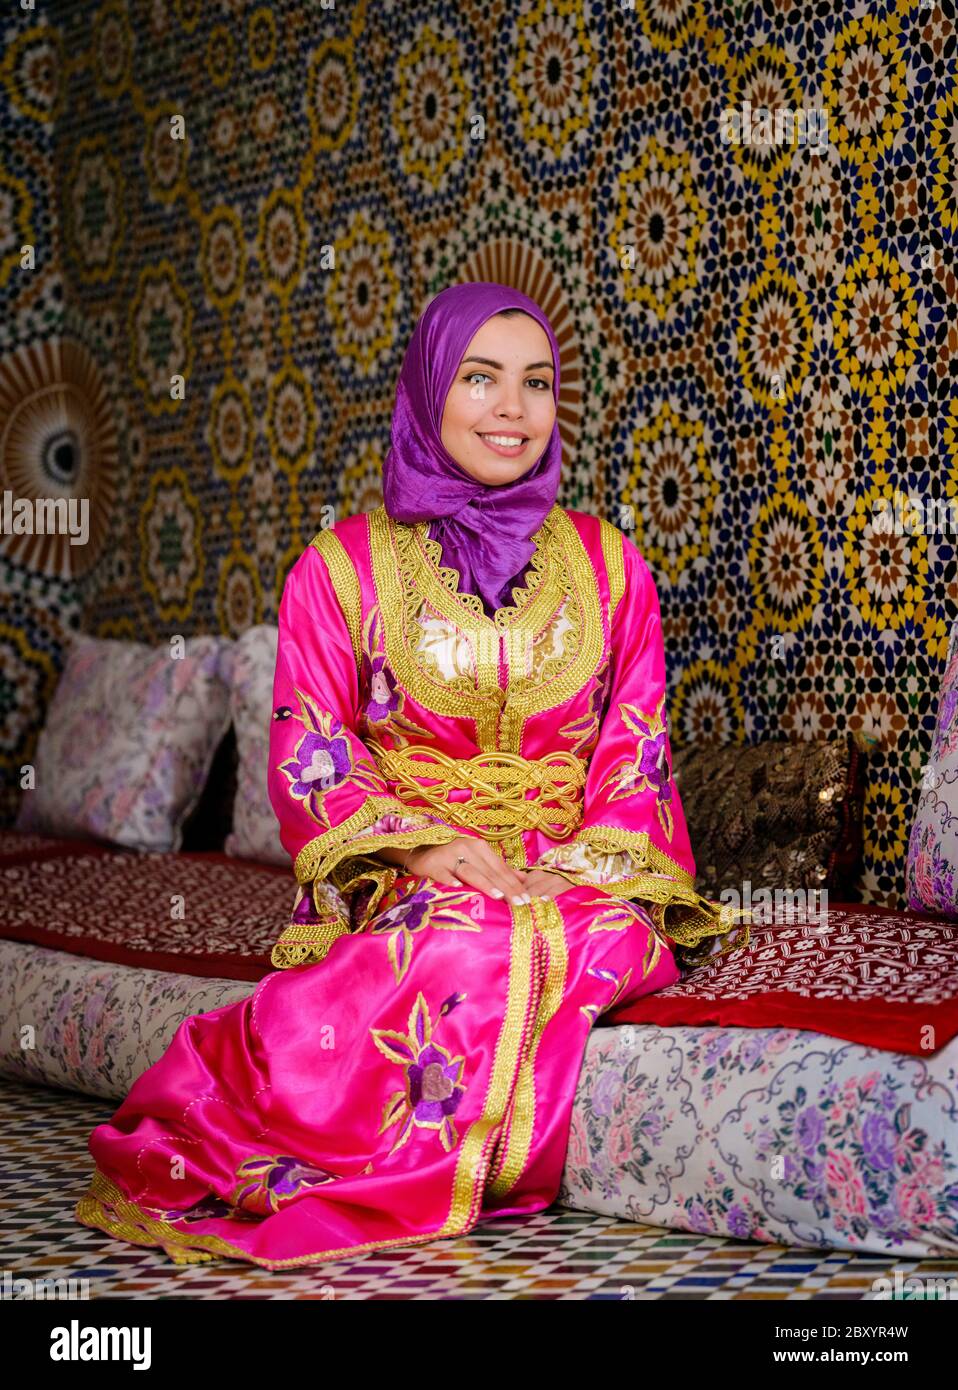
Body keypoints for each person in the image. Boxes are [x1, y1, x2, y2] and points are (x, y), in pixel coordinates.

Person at [74, 281, 749, 1269]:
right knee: (457, 934)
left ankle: (464, 1159)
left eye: (536, 383)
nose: (513, 410)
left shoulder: (611, 567)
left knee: (587, 931)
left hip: (583, 882)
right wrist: (430, 848)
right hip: (411, 876)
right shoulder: (340, 570)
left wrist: (580, 867)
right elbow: (309, 749)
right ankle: (375, 1164)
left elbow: (633, 748)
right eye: (481, 379)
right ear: (429, 388)